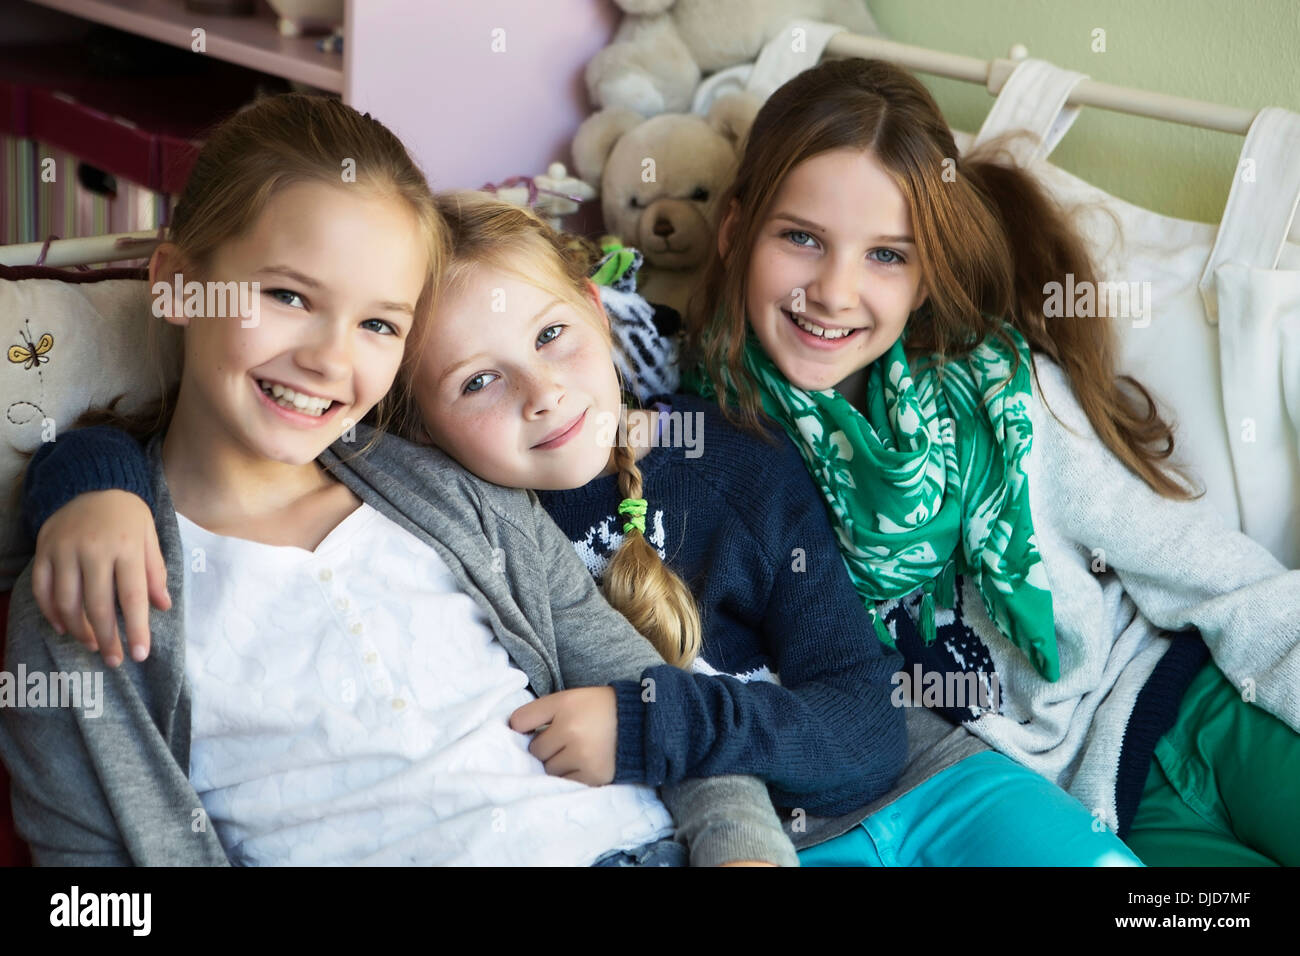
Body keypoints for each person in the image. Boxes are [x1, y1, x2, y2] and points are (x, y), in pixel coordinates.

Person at [23, 189, 1143, 866]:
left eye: (556, 336)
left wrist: (650, 725)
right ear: (400, 418)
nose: (542, 396)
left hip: (914, 777)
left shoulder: (733, 467)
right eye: (477, 380)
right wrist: (85, 475)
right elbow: (209, 434)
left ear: (600, 313)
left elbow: (862, 724)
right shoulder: (444, 508)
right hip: (780, 837)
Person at [0, 93, 795, 867]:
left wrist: (746, 854)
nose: (330, 359)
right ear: (174, 284)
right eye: (287, 296)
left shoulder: (448, 493)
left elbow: (662, 705)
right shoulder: (85, 586)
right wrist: (86, 480)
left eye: (378, 323)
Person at [683, 56, 1300, 865]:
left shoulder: (1005, 400)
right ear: (735, 232)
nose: (835, 291)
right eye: (802, 239)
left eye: (886, 256)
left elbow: (1214, 574)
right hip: (1085, 803)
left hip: (1205, 705)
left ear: (925, 275)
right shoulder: (715, 465)